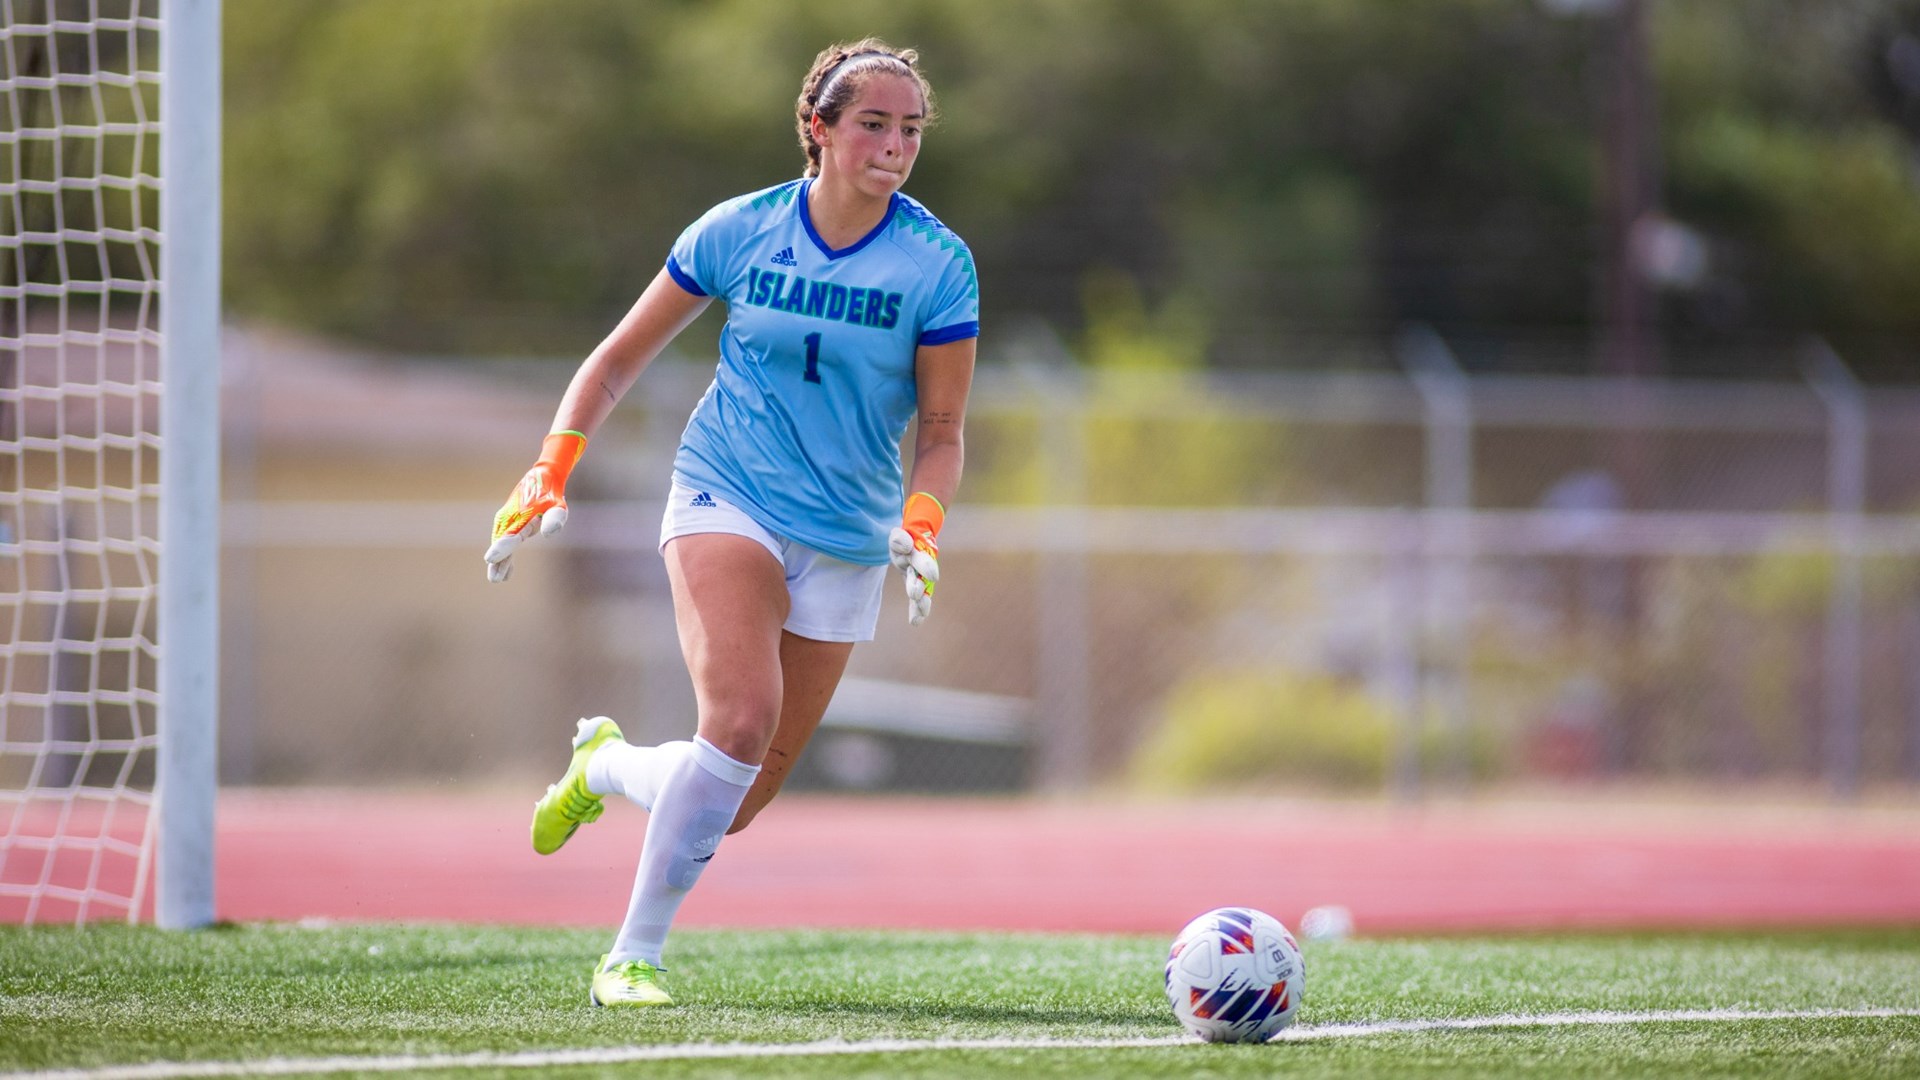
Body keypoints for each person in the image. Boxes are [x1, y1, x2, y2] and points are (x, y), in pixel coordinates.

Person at [481, 38, 977, 1008]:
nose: (894, 145)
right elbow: (616, 360)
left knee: (735, 799)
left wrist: (922, 522)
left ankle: (609, 762)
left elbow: (946, 428)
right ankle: (632, 956)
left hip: (847, 535)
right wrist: (549, 469)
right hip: (726, 492)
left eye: (910, 128)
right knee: (739, 721)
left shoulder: (939, 263)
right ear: (818, 128)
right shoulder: (738, 230)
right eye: (872, 123)